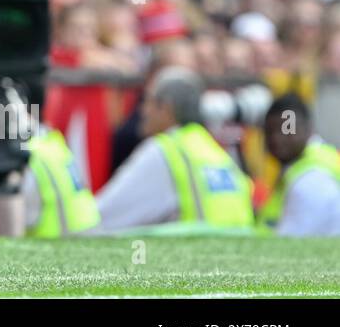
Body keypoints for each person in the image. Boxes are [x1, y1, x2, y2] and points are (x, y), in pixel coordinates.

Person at [94, 66, 254, 230]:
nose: (142, 110)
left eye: (147, 101)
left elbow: (102, 216)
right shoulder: (214, 149)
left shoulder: (164, 150)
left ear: (166, 107)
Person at [259, 93, 340, 235]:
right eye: (269, 131)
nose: (276, 139)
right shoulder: (302, 165)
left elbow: (290, 243)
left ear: (308, 128)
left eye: (287, 130)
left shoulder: (313, 178)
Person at [23, 126, 101, 237]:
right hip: (90, 230)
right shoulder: (50, 140)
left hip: (60, 240)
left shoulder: (26, 153)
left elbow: (25, 219)